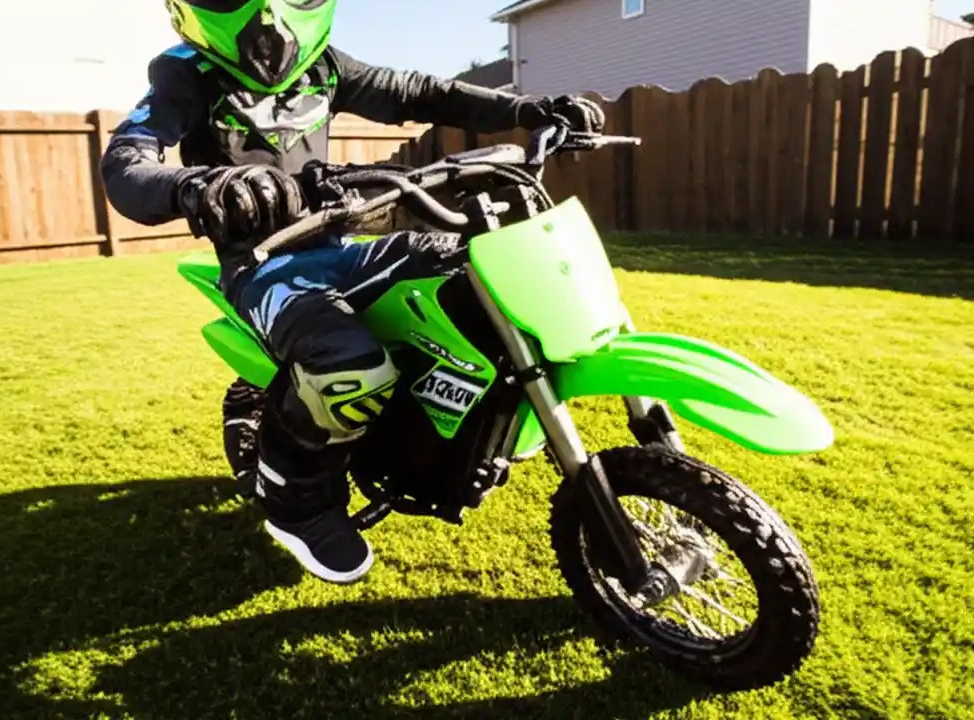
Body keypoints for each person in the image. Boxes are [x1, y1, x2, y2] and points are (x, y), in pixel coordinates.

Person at [100, 0, 604, 584]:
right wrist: (201, 185)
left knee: (473, 271)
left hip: (339, 244)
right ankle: (297, 502)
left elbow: (422, 93)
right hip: (261, 264)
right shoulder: (184, 72)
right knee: (351, 367)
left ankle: (448, 435)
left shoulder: (324, 66)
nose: (267, 19)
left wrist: (530, 108)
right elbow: (126, 166)